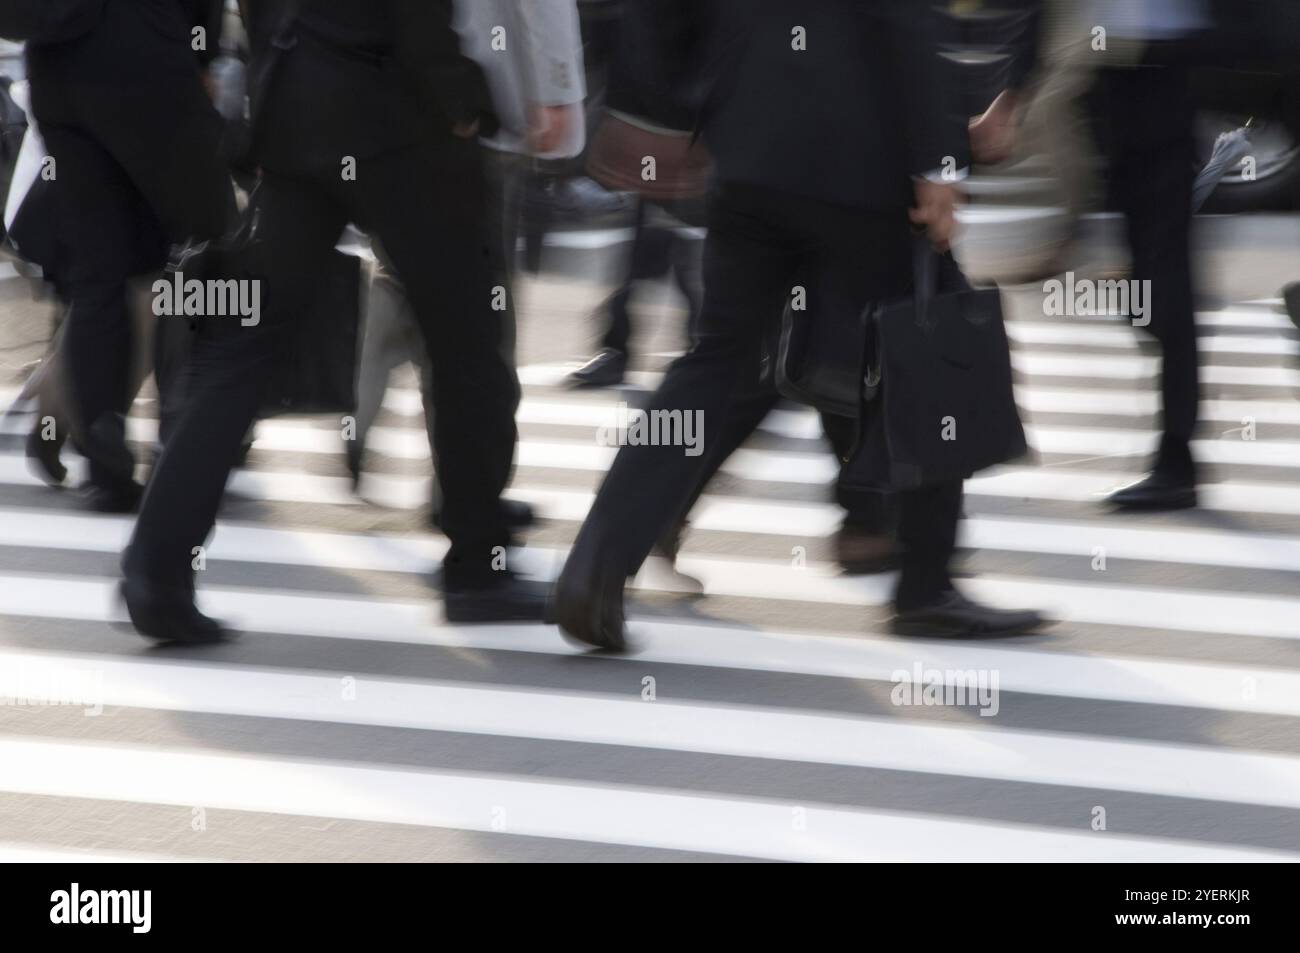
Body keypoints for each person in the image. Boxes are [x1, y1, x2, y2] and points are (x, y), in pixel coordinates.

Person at [553, 0, 1046, 648]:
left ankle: (598, 563)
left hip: (750, 152)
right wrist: (940, 162)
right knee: (926, 355)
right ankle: (926, 587)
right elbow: (907, 20)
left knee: (715, 361)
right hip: (861, 160)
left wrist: (666, 112)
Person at [121, 0, 546, 643]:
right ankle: (476, 565)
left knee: (240, 352)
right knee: (466, 342)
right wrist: (462, 101)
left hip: (293, 115)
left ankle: (156, 572)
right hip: (401, 120)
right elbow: (417, 20)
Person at [348, 0, 587, 538]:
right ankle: (469, 499)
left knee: (419, 284)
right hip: (475, 94)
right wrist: (554, 89)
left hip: (393, 89)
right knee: (477, 322)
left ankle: (378, 429)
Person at [23, 0, 233, 512]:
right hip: (147, 61)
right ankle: (194, 435)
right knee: (217, 237)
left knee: (102, 269)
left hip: (56, 65)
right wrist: (202, 59)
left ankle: (102, 445)